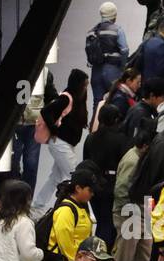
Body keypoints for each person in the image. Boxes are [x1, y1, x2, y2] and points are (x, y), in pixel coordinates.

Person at [104, 121, 156, 261]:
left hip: (141, 214)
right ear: (145, 146)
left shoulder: (139, 158)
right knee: (123, 258)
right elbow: (121, 190)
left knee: (146, 256)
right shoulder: (133, 160)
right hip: (129, 215)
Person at [32, 74, 88, 213]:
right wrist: (54, 129)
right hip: (60, 143)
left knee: (55, 177)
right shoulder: (66, 98)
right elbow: (46, 111)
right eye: (85, 84)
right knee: (76, 175)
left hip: (66, 144)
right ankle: (84, 208)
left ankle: (38, 204)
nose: (86, 87)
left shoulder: (78, 98)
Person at [83, 104, 131, 246]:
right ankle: (101, 257)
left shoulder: (90, 138)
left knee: (101, 222)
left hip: (93, 185)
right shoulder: (121, 139)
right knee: (109, 225)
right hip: (111, 186)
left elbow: (85, 161)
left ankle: (97, 253)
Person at [44, 168, 96, 261]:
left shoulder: (80, 206)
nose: (92, 194)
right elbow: (65, 244)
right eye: (90, 190)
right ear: (78, 188)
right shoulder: (66, 210)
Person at [86, 2, 130, 107]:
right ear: (114, 15)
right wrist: (123, 67)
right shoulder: (117, 30)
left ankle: (95, 123)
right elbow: (124, 50)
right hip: (113, 71)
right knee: (116, 102)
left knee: (97, 104)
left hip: (96, 72)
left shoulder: (91, 32)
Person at [95, 67, 141, 134]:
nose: (140, 85)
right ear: (128, 81)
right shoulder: (120, 99)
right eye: (138, 82)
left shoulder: (124, 94)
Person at [124, 79, 164, 144]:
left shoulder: (149, 109)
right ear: (152, 96)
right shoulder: (140, 113)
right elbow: (137, 141)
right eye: (162, 97)